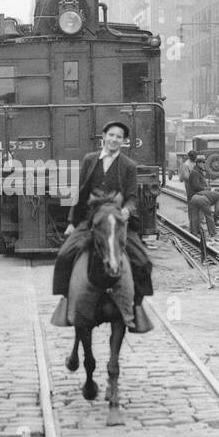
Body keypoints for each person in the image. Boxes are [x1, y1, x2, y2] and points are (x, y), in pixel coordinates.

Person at [53, 121, 153, 332]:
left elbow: (133, 196)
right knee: (64, 256)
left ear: (124, 142)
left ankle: (136, 306)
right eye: (111, 135)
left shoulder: (129, 166)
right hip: (91, 220)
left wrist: (127, 210)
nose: (115, 140)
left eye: (119, 137)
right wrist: (73, 222)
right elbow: (81, 192)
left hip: (117, 221)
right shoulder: (90, 160)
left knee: (143, 262)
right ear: (104, 137)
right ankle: (65, 300)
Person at [182, 151, 219, 239]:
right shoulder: (195, 173)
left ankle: (194, 233)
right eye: (203, 163)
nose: (205, 164)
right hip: (198, 197)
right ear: (198, 163)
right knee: (208, 215)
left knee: (195, 216)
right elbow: (217, 211)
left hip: (194, 198)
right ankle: (212, 233)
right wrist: (205, 188)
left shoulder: (197, 172)